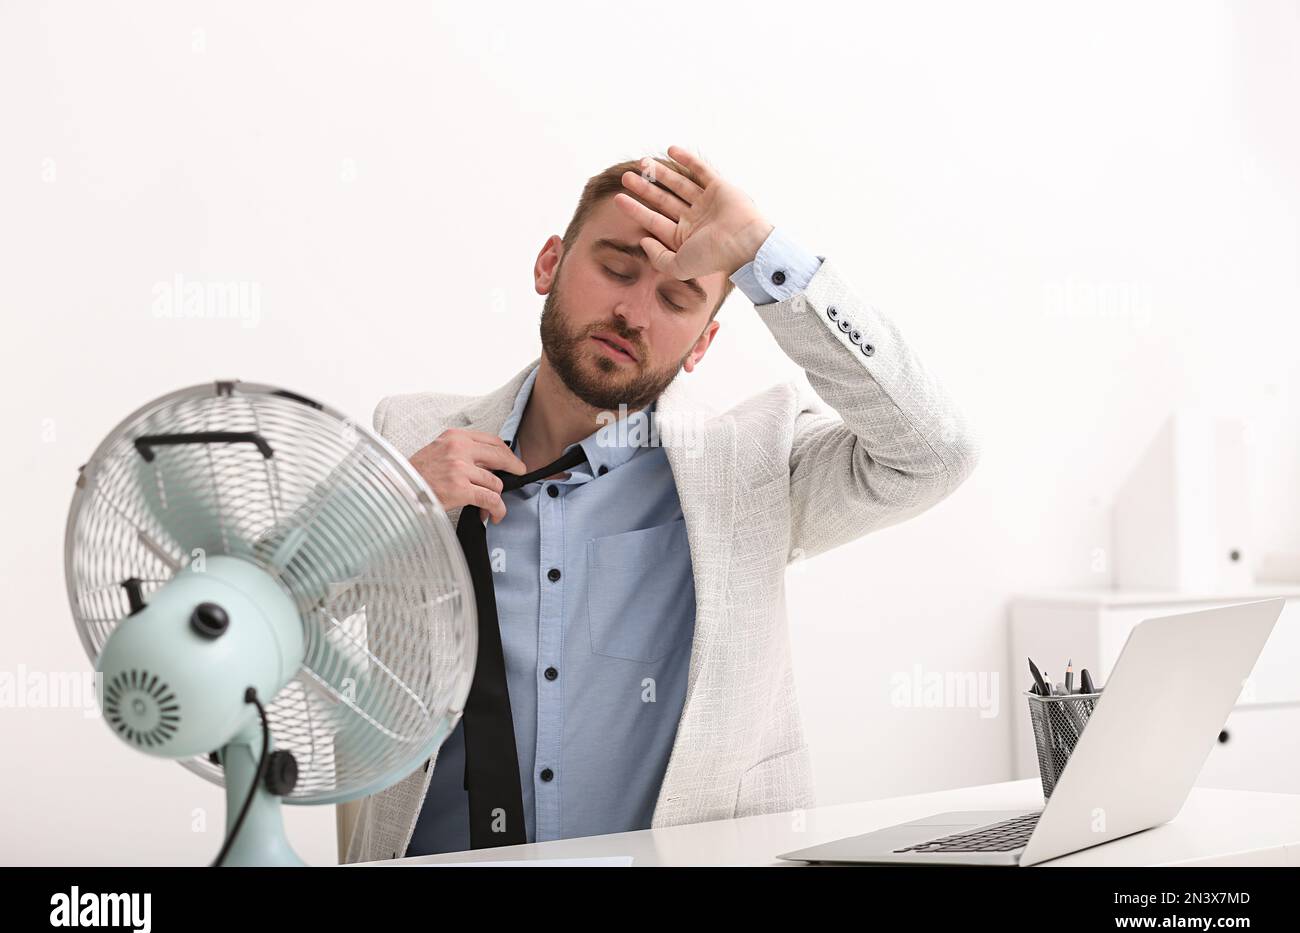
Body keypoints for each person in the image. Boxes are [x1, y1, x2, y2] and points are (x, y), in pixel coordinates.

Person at [341, 145, 980, 863]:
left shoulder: (753, 465)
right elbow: (262, 620)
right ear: (549, 263)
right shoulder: (411, 440)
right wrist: (388, 510)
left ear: (704, 343)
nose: (632, 312)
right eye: (616, 268)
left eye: (675, 299)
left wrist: (763, 254)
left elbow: (936, 452)